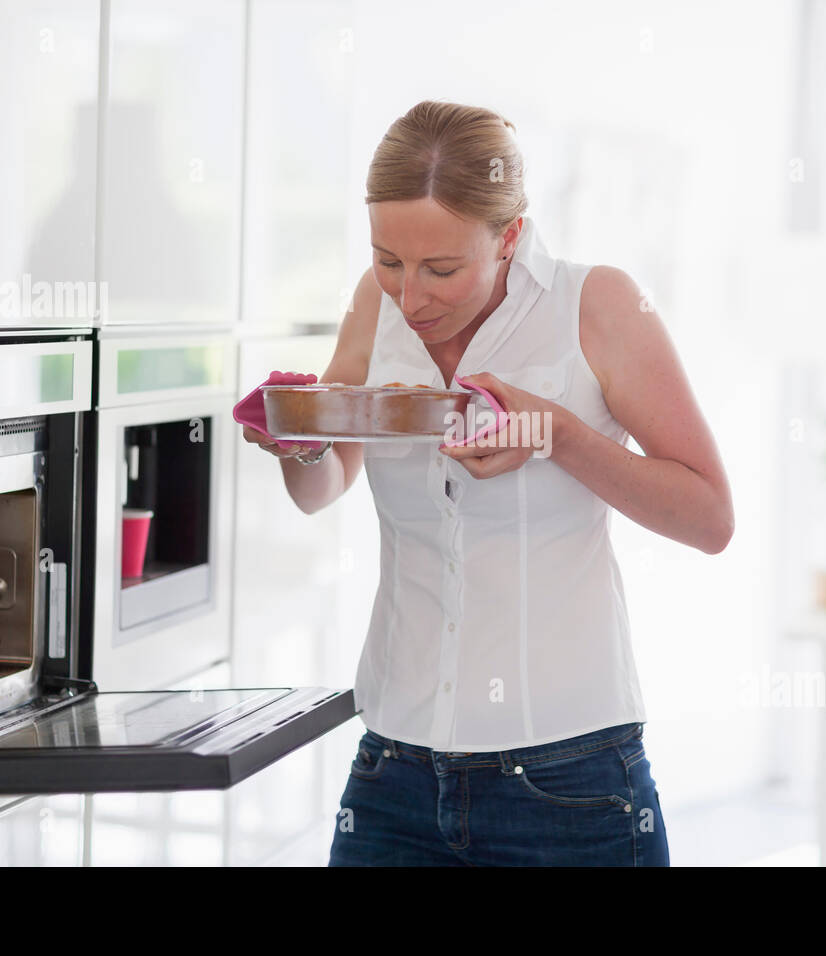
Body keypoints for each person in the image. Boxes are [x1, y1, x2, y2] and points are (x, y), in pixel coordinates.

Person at [241, 100, 734, 866]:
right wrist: (296, 448)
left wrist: (558, 435)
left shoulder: (596, 304)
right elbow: (329, 476)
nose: (411, 297)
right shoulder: (376, 308)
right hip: (393, 773)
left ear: (510, 236)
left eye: (442, 269)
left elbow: (709, 517)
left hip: (569, 779)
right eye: (388, 259)